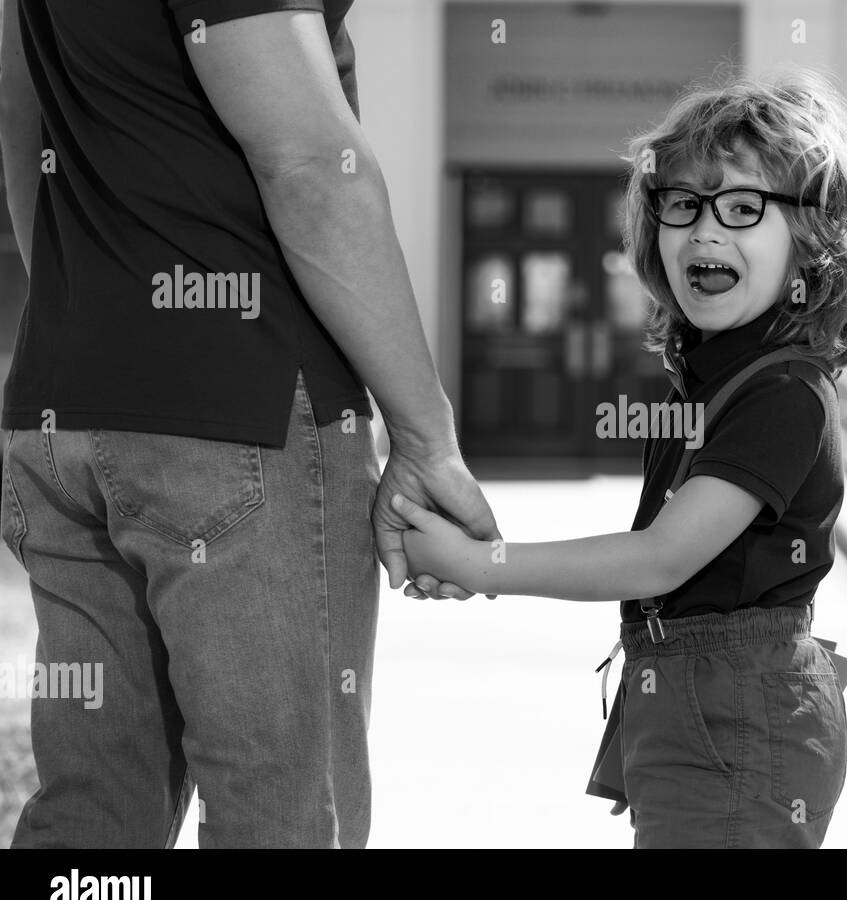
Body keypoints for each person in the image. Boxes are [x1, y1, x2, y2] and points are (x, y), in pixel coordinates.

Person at [0, 0, 493, 848]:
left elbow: (19, 114)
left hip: (68, 402)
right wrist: (425, 435)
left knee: (92, 815)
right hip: (243, 410)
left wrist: (88, 319)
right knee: (282, 815)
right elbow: (308, 162)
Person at [393, 67, 847, 848]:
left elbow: (661, 559)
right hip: (691, 702)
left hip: (740, 719)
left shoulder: (784, 394)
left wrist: (479, 564)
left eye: (743, 208)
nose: (704, 231)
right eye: (682, 204)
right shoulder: (708, 379)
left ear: (812, 246)